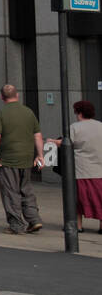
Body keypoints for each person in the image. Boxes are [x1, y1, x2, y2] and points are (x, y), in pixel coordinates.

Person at [0, 83, 44, 234]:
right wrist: (40, 155)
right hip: (26, 158)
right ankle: (34, 219)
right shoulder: (28, 112)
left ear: (2, 97)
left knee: (10, 192)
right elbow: (38, 135)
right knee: (26, 189)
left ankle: (16, 225)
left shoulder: (0, 113)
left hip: (8, 159)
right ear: (17, 95)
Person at [46, 100, 102, 234]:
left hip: (80, 170)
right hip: (99, 170)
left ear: (79, 113)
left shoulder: (74, 128)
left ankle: (78, 226)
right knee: (100, 199)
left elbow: (65, 143)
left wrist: (51, 142)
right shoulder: (100, 126)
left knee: (77, 200)